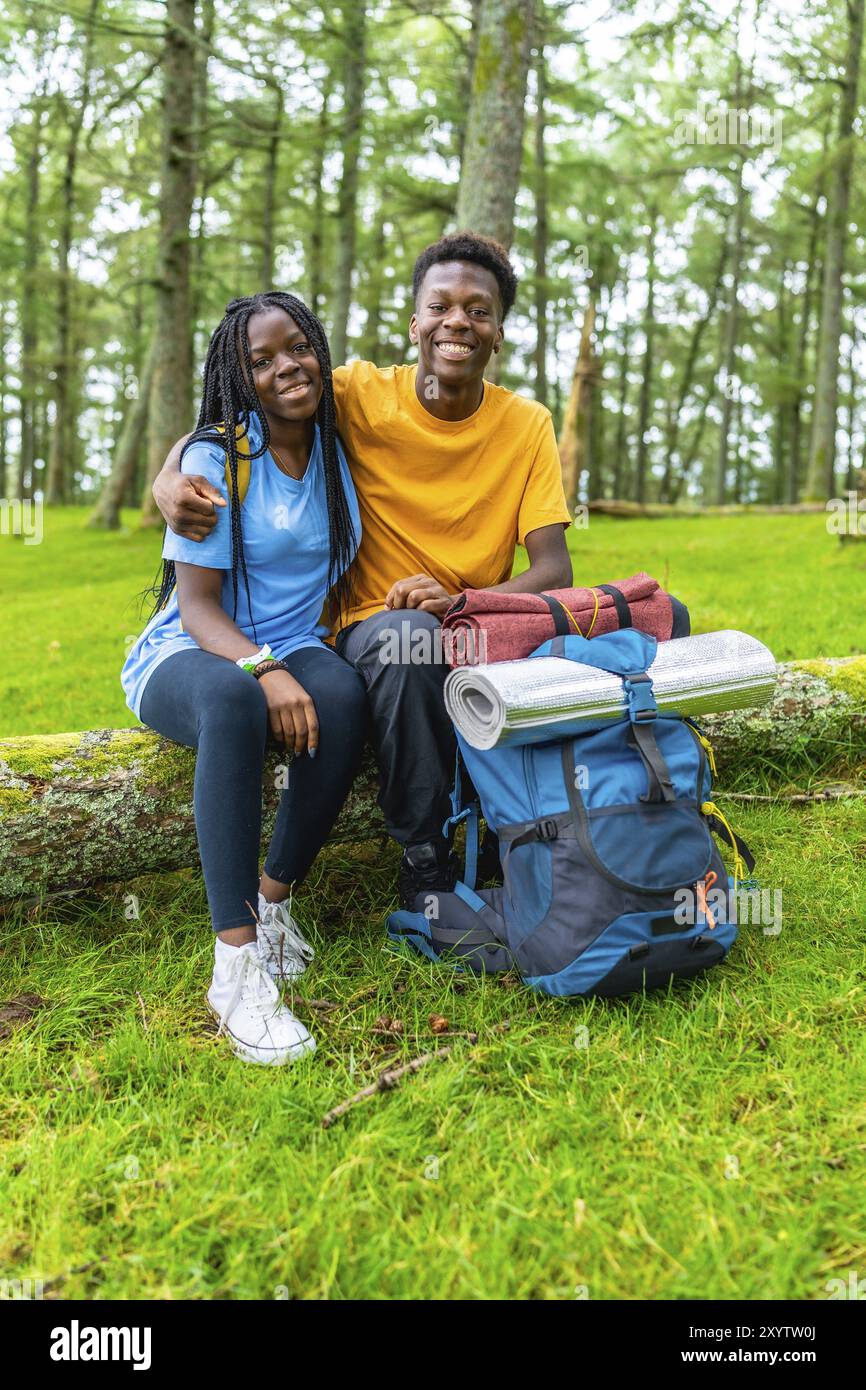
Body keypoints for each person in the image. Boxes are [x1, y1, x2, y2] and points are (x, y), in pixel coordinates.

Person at [152, 233, 573, 909]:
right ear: (415, 323)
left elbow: (553, 567)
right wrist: (169, 475)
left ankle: (522, 827)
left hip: (477, 619)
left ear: (498, 332)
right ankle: (426, 860)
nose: (457, 320)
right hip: (370, 627)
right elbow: (242, 404)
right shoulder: (354, 393)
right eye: (440, 305)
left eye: (478, 309)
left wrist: (463, 600)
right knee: (405, 639)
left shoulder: (526, 424)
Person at [122, 292, 367, 1065]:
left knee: (343, 695)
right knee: (233, 701)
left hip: (292, 639)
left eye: (295, 347)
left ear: (318, 347)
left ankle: (272, 903)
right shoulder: (217, 457)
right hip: (190, 652)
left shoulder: (337, 438)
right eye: (259, 361)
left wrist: (286, 662)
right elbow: (195, 609)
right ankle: (235, 967)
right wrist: (261, 670)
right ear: (239, 378)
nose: (284, 368)